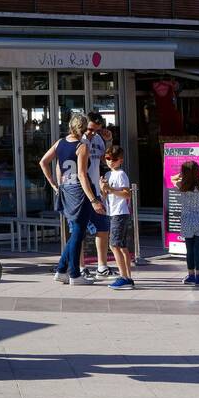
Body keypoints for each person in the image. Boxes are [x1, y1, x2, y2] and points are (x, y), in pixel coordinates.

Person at [40, 112, 104, 286]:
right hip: (79, 191)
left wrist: (53, 184)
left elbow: (43, 162)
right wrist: (93, 199)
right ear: (83, 128)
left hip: (65, 188)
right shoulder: (82, 146)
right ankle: (74, 273)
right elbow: (83, 175)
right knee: (78, 233)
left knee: (75, 232)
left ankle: (61, 270)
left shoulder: (60, 143)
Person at [101, 145, 135, 290]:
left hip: (120, 212)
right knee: (121, 246)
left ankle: (124, 277)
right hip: (113, 212)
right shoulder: (108, 175)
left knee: (114, 245)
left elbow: (127, 194)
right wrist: (104, 189)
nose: (110, 162)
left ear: (120, 160)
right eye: (107, 158)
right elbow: (106, 195)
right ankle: (127, 276)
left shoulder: (121, 174)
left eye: (113, 159)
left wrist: (111, 189)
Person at [85, 111, 113, 279]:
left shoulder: (97, 139)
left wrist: (108, 140)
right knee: (78, 231)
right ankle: (80, 266)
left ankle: (102, 266)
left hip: (96, 188)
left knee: (102, 228)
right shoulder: (76, 140)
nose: (93, 133)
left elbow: (105, 159)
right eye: (90, 129)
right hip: (81, 191)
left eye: (97, 130)